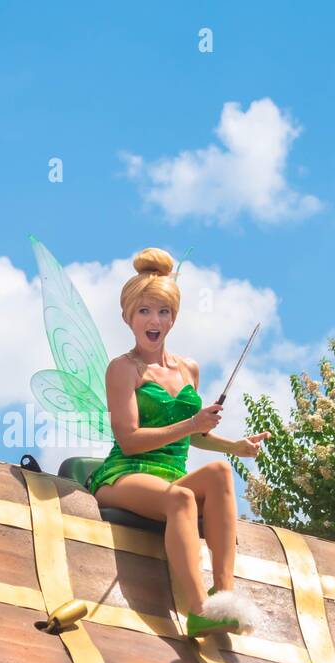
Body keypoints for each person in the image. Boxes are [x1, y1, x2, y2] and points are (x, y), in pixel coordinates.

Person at [85, 247, 270, 637]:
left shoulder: (189, 369)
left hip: (170, 472)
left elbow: (196, 433)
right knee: (181, 499)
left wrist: (234, 447)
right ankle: (197, 609)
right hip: (126, 474)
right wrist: (191, 424)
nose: (154, 320)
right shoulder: (122, 369)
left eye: (163, 312)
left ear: (174, 317)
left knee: (220, 472)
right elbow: (131, 440)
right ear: (128, 317)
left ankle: (225, 597)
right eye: (145, 311)